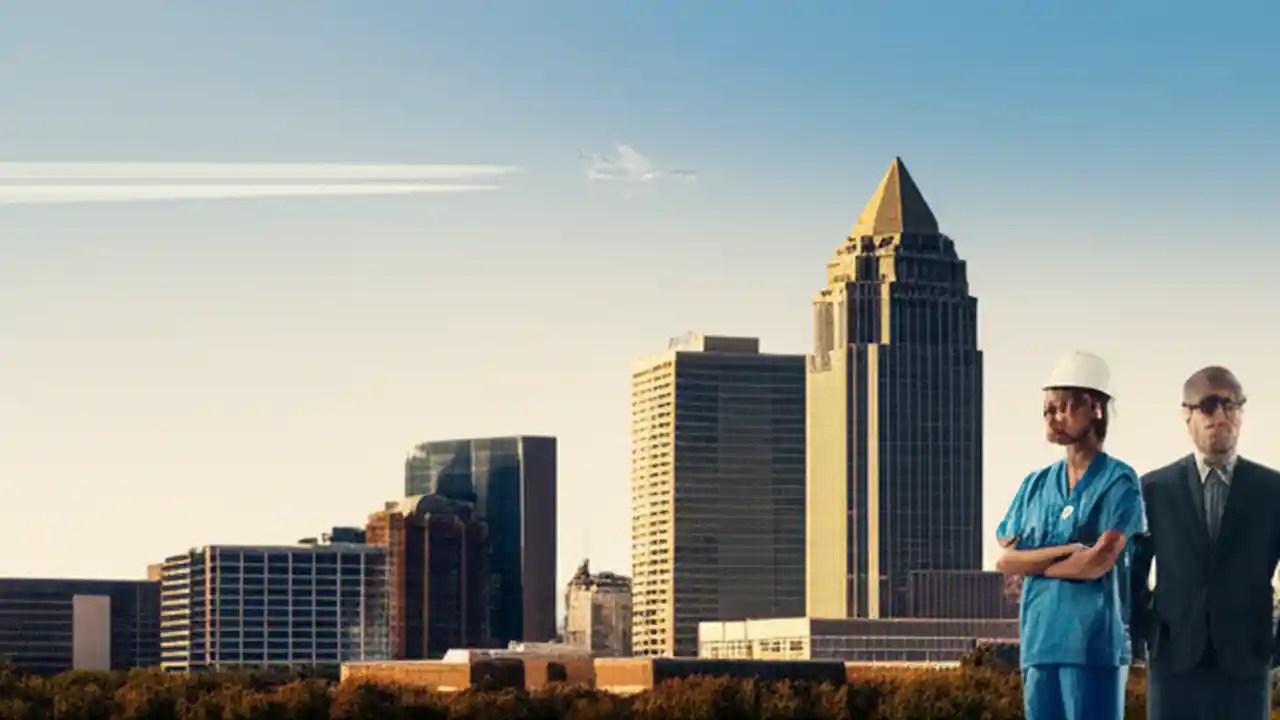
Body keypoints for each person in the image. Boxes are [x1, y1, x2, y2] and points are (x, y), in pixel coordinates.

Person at [996, 350, 1145, 720]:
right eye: (1047, 409)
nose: (1052, 417)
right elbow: (1004, 559)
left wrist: (1034, 564)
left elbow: (1097, 562)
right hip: (1040, 644)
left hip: (1093, 647)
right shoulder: (1035, 485)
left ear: (1094, 408)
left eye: (1062, 407)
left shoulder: (1118, 481)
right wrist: (1065, 551)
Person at [1130, 366, 1280, 720]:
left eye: (1230, 405)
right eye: (1209, 406)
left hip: (1247, 659)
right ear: (1188, 415)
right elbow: (1133, 570)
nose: (1220, 415)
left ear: (1241, 414)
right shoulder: (1152, 489)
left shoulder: (1272, 490)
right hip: (1173, 657)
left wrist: (1275, 644)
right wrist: (1149, 631)